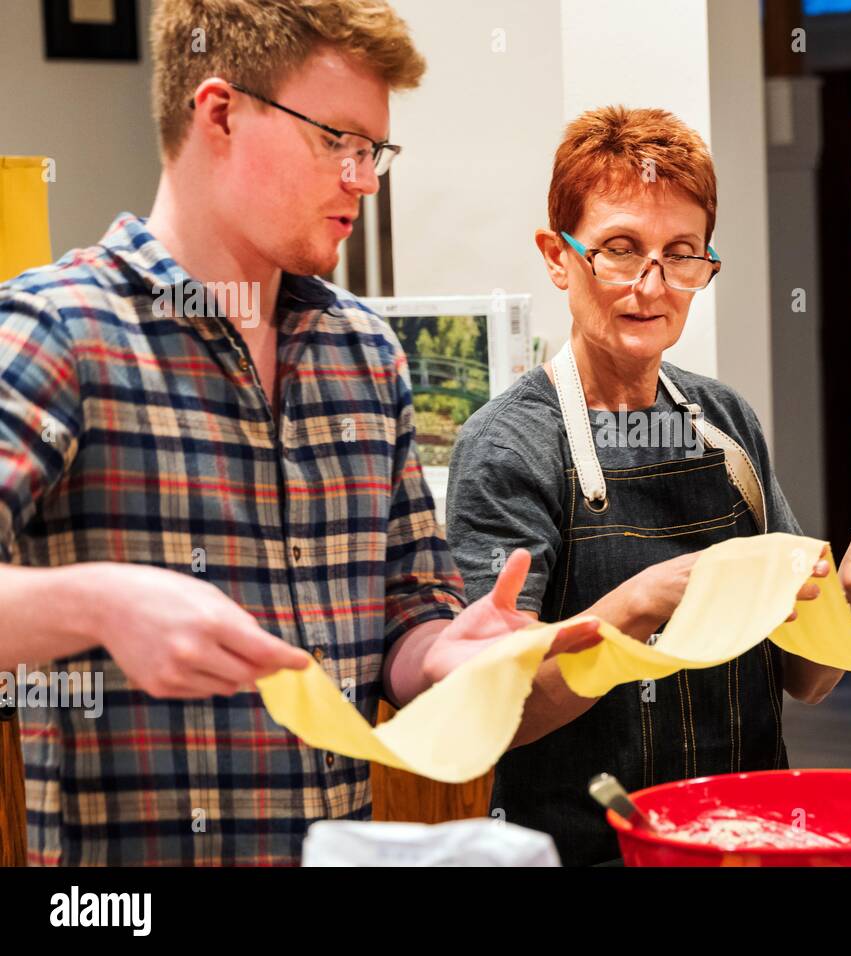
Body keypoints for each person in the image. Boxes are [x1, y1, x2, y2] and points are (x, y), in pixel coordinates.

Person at [0, 0, 595, 866]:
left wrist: (438, 651)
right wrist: (100, 605)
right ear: (220, 113)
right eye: (338, 141)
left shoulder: (364, 354)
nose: (366, 179)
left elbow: (406, 615)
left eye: (376, 150)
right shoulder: (57, 331)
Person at [445, 105, 851, 866]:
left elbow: (806, 678)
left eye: (681, 253)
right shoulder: (510, 448)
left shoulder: (724, 421)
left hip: (753, 836)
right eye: (619, 249)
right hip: (594, 852)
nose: (653, 284)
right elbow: (492, 714)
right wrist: (634, 606)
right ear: (557, 255)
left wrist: (850, 589)